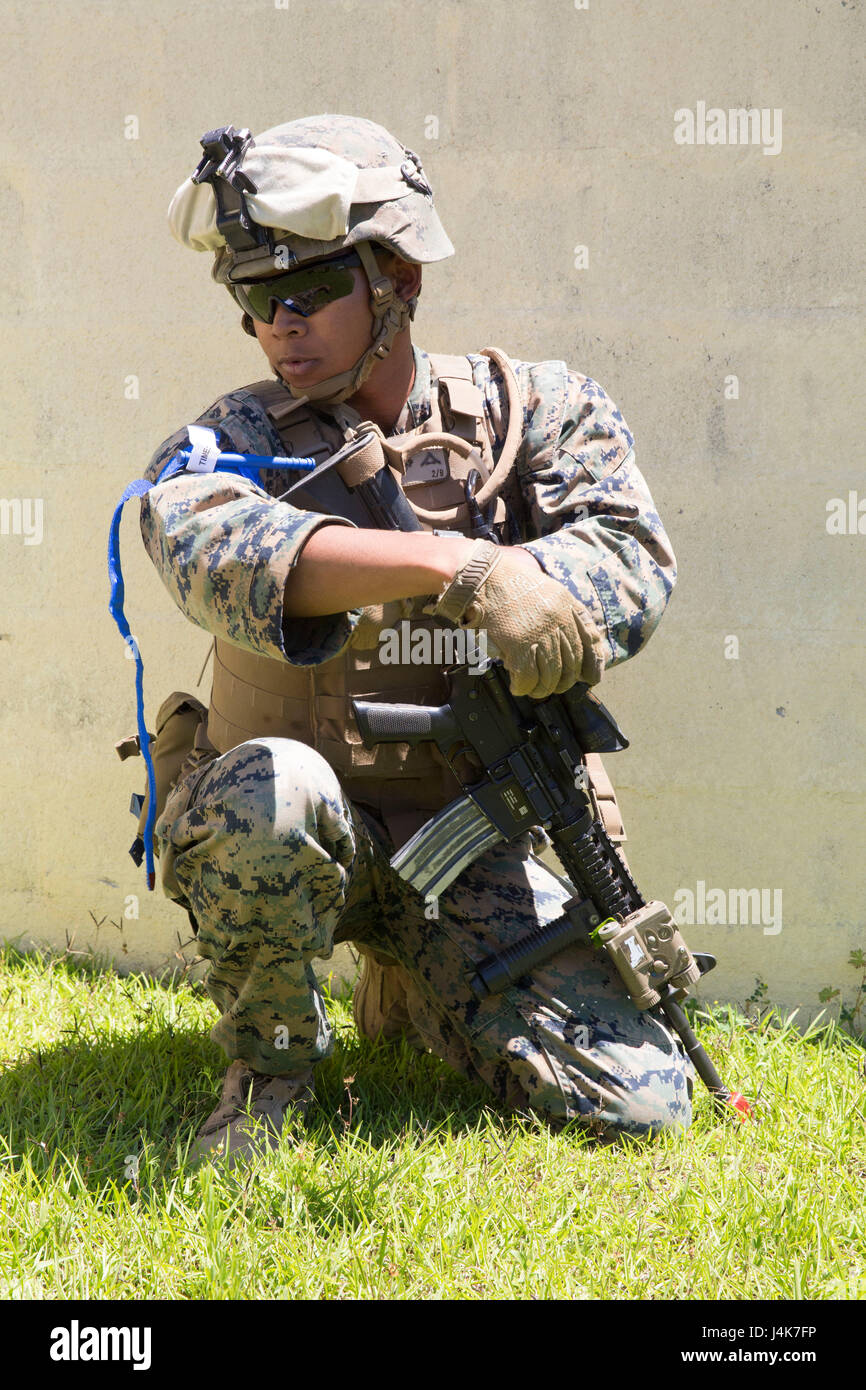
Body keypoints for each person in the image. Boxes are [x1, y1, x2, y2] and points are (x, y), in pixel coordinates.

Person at [138, 115, 691, 1166]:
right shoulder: (236, 439)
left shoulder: (539, 413)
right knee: (270, 791)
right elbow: (208, 544)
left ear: (398, 279)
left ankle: (426, 988)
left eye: (306, 292)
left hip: (466, 834)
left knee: (638, 1098)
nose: (279, 327)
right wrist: (463, 570)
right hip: (300, 833)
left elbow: (631, 558)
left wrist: (542, 588)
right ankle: (269, 1072)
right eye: (255, 302)